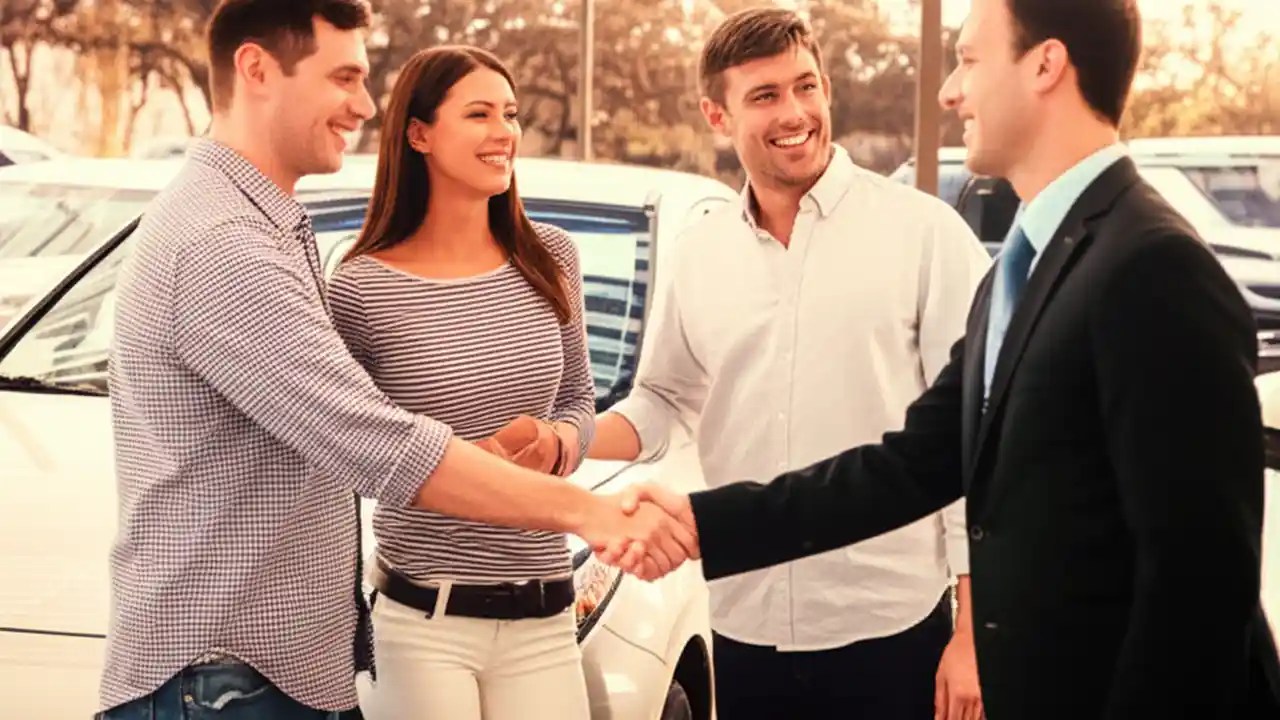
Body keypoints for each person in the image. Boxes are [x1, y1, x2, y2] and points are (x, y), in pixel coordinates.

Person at [605, 0, 1280, 718]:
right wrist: (700, 524)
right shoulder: (1031, 263)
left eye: (968, 60)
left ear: (1045, 67)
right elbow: (910, 467)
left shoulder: (1155, 264)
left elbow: (1200, 589)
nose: (948, 91)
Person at [98, 2, 692, 719]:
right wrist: (592, 513)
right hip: (227, 684)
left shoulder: (266, 224)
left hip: (263, 676)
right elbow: (378, 444)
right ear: (256, 70)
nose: (365, 104)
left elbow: (352, 435)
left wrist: (546, 448)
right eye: (344, 77)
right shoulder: (223, 244)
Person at [585, 7, 991, 719]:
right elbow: (662, 398)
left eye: (806, 87)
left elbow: (970, 443)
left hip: (890, 628)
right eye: (765, 95)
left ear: (827, 88)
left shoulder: (926, 236)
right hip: (745, 622)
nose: (794, 112)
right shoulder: (699, 250)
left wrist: (971, 633)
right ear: (718, 114)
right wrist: (567, 441)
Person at [326, 45, 594, 720]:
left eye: (509, 113)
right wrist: (463, 460)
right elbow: (348, 456)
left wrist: (559, 442)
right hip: (423, 624)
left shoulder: (551, 257)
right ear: (419, 133)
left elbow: (579, 401)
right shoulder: (360, 287)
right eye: (479, 114)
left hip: (545, 614)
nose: (504, 131)